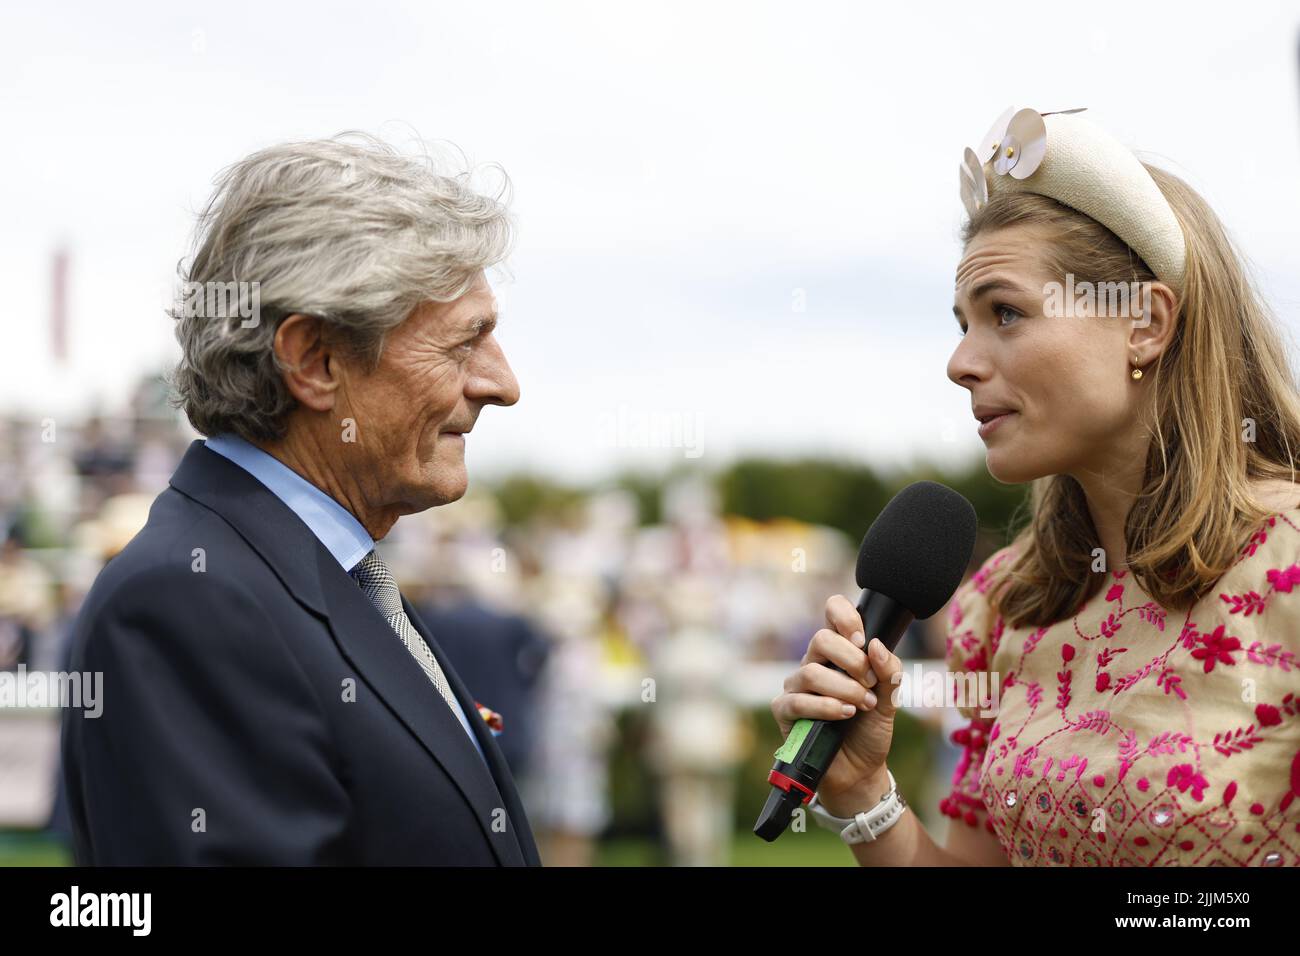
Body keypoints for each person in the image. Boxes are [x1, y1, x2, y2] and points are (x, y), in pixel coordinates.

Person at [770, 107, 1300, 866]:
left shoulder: (1289, 564)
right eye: (963, 323)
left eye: (1006, 313)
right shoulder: (1004, 604)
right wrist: (862, 793)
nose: (960, 363)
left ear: (1145, 324)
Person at [61, 133, 539, 865]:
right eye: (461, 344)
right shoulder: (191, 601)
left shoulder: (318, 571)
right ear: (314, 361)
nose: (502, 385)